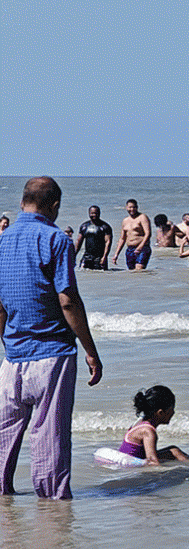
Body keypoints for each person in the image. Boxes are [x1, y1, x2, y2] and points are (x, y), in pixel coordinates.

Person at [0, 177, 103, 499]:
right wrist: (91, 351)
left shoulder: (1, 240)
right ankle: (52, 510)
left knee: (4, 437)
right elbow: (68, 299)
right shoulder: (56, 239)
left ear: (22, 202)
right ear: (55, 205)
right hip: (52, 353)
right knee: (49, 437)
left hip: (12, 357)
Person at [117, 385, 189, 464]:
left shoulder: (140, 421)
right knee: (174, 453)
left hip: (137, 459)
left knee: (174, 451)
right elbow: (152, 461)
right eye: (172, 409)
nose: (173, 412)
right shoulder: (148, 431)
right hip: (130, 467)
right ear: (160, 413)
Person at [113, 199, 153, 270]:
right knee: (132, 272)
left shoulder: (142, 217)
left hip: (142, 249)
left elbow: (148, 233)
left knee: (139, 270)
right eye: (130, 207)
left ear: (137, 207)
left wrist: (140, 246)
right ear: (126, 208)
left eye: (134, 207)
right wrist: (116, 254)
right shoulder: (125, 221)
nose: (132, 209)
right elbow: (122, 238)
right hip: (130, 250)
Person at [74, 205, 113, 270]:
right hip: (87, 257)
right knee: (83, 273)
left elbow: (108, 242)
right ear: (89, 213)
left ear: (99, 213)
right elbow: (78, 242)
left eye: (96, 213)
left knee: (100, 276)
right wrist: (74, 255)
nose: (94, 215)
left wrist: (104, 256)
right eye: (92, 213)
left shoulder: (105, 227)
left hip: (99, 257)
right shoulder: (84, 226)